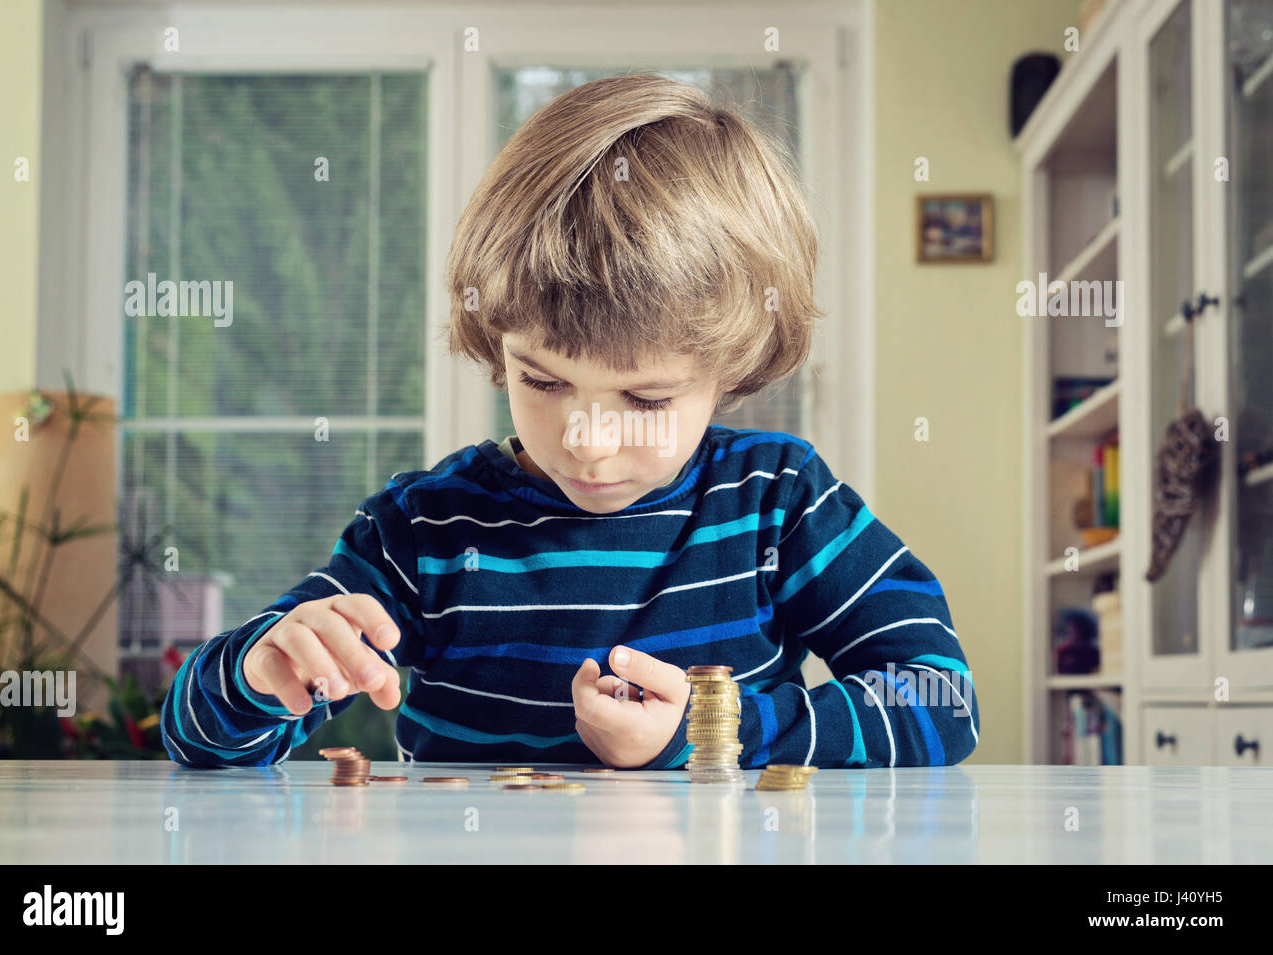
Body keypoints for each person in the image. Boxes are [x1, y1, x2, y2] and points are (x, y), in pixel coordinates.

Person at [162, 73, 979, 770]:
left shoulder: (777, 499)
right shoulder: (426, 528)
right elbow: (201, 742)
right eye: (543, 380)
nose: (587, 442)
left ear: (731, 371)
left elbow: (941, 697)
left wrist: (713, 732)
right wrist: (255, 673)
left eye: (646, 399)